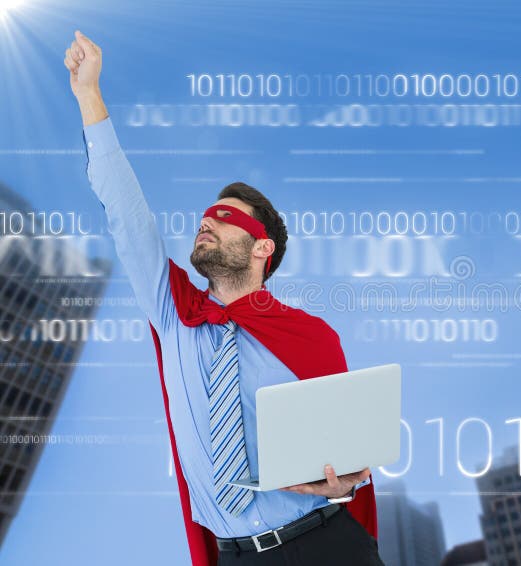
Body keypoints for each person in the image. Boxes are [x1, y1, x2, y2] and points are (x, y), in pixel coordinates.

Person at [64, 30, 385, 566]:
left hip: (327, 544)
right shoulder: (174, 314)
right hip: (236, 556)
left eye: (226, 217)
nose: (207, 221)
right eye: (206, 216)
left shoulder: (310, 338)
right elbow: (128, 217)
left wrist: (345, 481)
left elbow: (350, 460)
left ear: (262, 247)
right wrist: (89, 95)